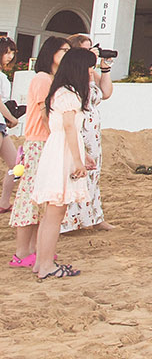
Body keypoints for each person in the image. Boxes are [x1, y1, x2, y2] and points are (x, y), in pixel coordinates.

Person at [30, 47, 96, 279]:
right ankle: (46, 265)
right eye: (89, 67)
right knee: (55, 214)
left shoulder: (60, 91)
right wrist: (78, 161)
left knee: (51, 214)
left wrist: (82, 155)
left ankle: (41, 262)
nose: (91, 72)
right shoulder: (69, 94)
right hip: (62, 155)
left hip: (58, 150)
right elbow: (69, 127)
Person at [9, 36, 68, 270]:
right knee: (30, 197)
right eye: (63, 50)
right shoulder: (43, 79)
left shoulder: (51, 79)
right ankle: (23, 251)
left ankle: (31, 250)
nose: (66, 54)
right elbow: (46, 115)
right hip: (40, 142)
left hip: (45, 142)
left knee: (38, 197)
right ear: (51, 52)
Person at [58, 34, 113, 234]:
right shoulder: (71, 78)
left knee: (94, 173)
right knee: (75, 172)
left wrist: (104, 68)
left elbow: (106, 93)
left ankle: (94, 216)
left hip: (94, 129)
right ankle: (71, 220)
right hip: (79, 128)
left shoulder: (90, 74)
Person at [0, 37, 22, 213]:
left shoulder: (2, 75)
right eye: (6, 52)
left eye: (11, 52)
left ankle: (4, 202)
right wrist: (12, 119)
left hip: (2, 125)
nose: (10, 56)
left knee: (16, 165)